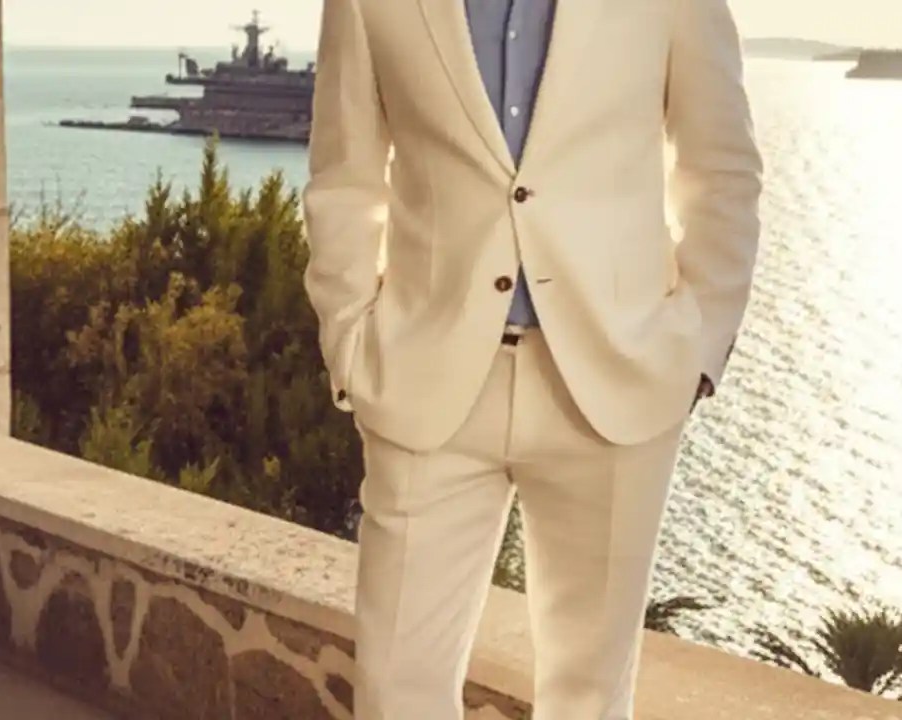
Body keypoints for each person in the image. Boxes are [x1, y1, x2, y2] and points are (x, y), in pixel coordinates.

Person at [302, 0, 763, 717]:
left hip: (614, 383)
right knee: (395, 691)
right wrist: (349, 343)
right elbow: (343, 176)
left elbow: (722, 168)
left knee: (589, 697)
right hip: (427, 381)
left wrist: (698, 348)